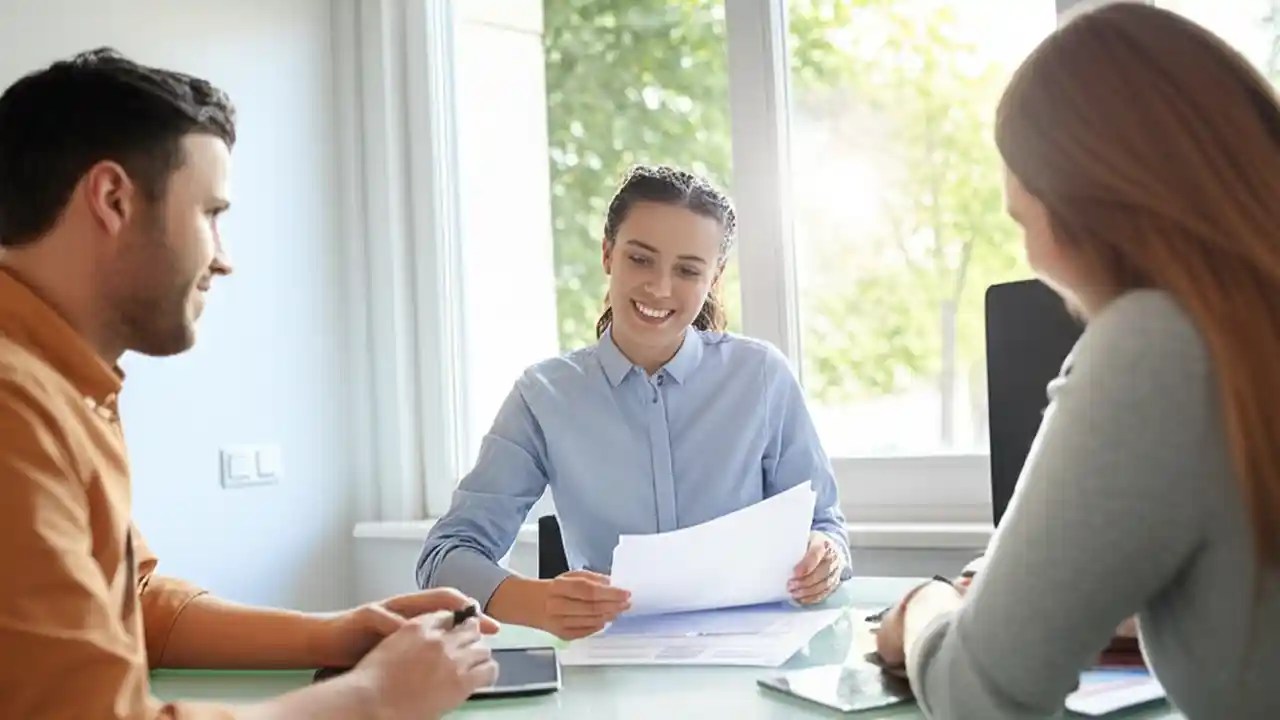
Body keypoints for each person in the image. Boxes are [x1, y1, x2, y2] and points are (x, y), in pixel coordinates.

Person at [0, 49, 498, 719]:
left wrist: (339, 632)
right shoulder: (15, 406)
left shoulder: (62, 385)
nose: (224, 259)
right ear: (113, 200)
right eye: (210, 212)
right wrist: (375, 696)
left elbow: (133, 601)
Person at [874, 5, 1280, 718]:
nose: (1040, 269)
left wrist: (924, 608)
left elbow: (981, 697)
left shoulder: (1158, 345)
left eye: (1022, 223)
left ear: (1084, 205)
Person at [417, 165, 852, 639]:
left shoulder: (762, 377)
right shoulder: (543, 396)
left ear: (714, 278)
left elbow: (825, 525)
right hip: (611, 658)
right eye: (641, 259)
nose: (660, 288)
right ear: (608, 254)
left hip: (752, 652)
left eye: (687, 270)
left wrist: (824, 556)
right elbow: (444, 555)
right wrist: (535, 601)